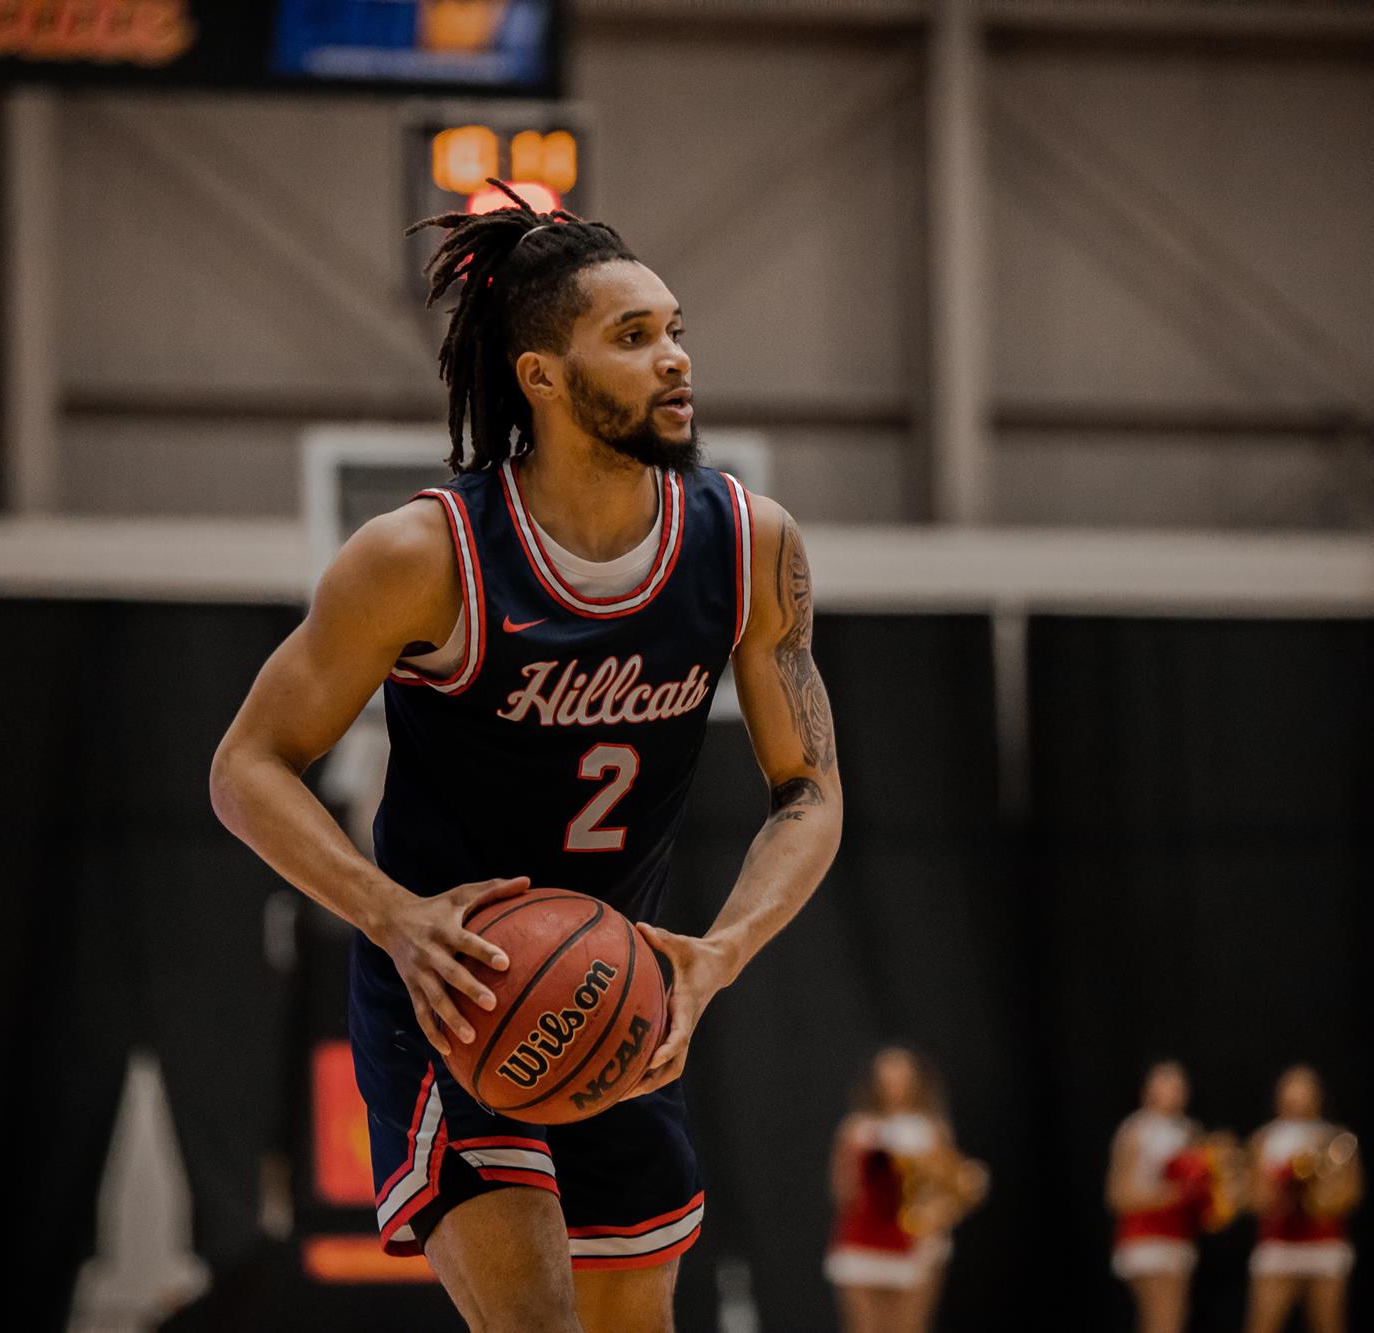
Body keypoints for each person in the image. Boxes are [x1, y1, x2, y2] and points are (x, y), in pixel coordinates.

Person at [210, 182, 844, 1333]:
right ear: (541, 375)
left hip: (612, 990)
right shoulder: (423, 555)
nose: (675, 360)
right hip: (448, 999)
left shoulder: (751, 543)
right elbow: (247, 766)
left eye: (677, 330)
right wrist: (393, 918)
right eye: (634, 336)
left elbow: (808, 791)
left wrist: (719, 953)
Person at [825, 1047, 985, 1333]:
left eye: (901, 1075)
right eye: (886, 1075)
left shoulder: (930, 1131)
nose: (893, 1084)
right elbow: (843, 1192)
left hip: (913, 1245)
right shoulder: (857, 1129)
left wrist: (929, 1227)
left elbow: (956, 1188)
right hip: (864, 1241)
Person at [1244, 1065, 1361, 1333]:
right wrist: (1278, 1188)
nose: (1298, 1095)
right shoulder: (1264, 1138)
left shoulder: (1336, 1138)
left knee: (1328, 1323)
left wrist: (1322, 1192)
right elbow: (1253, 1198)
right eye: (1292, 1087)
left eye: (1305, 1088)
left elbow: (1353, 1192)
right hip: (1279, 1243)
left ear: (1318, 1095)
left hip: (1324, 1242)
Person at [1107, 1061, 1202, 1333]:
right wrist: (1169, 1195)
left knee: (1172, 1318)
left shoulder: (1189, 1131)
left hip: (1178, 1237)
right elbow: (1117, 1195)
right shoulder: (1136, 1130)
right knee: (1163, 1317)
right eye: (1165, 1084)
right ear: (1148, 1090)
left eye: (1178, 1085)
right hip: (1146, 1237)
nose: (1173, 1091)